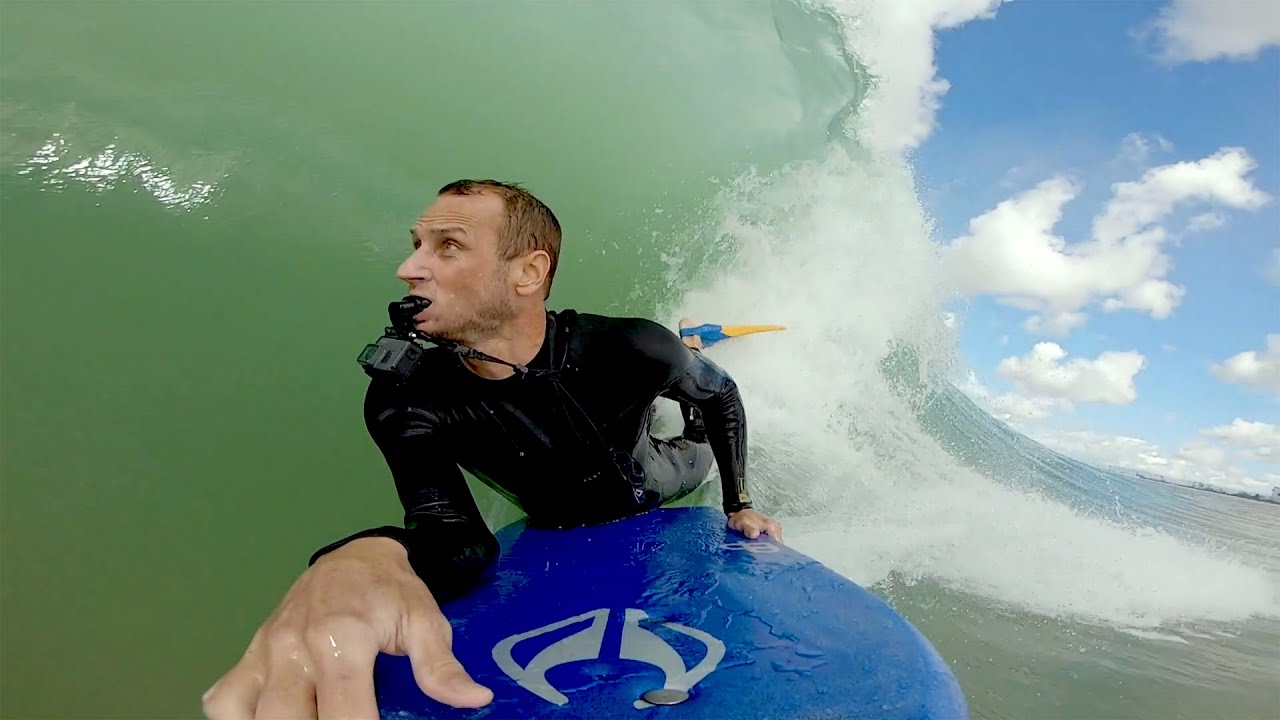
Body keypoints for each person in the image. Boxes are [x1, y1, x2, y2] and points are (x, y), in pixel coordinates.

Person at [202, 179, 782, 720]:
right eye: (415, 246)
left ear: (528, 271)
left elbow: (724, 397)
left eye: (447, 246)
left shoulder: (627, 345)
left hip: (658, 480)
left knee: (696, 427)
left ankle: (691, 345)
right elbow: (458, 544)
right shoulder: (406, 399)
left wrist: (740, 504)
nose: (408, 269)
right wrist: (363, 558)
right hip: (558, 520)